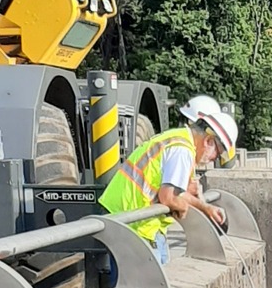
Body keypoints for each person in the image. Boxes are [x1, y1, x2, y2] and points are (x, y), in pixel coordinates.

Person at [99, 95, 238, 243]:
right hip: (130, 222)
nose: (214, 159)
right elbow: (169, 197)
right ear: (209, 141)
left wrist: (205, 207)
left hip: (128, 219)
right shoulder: (182, 151)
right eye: (217, 153)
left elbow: (176, 192)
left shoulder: (180, 141)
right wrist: (182, 207)